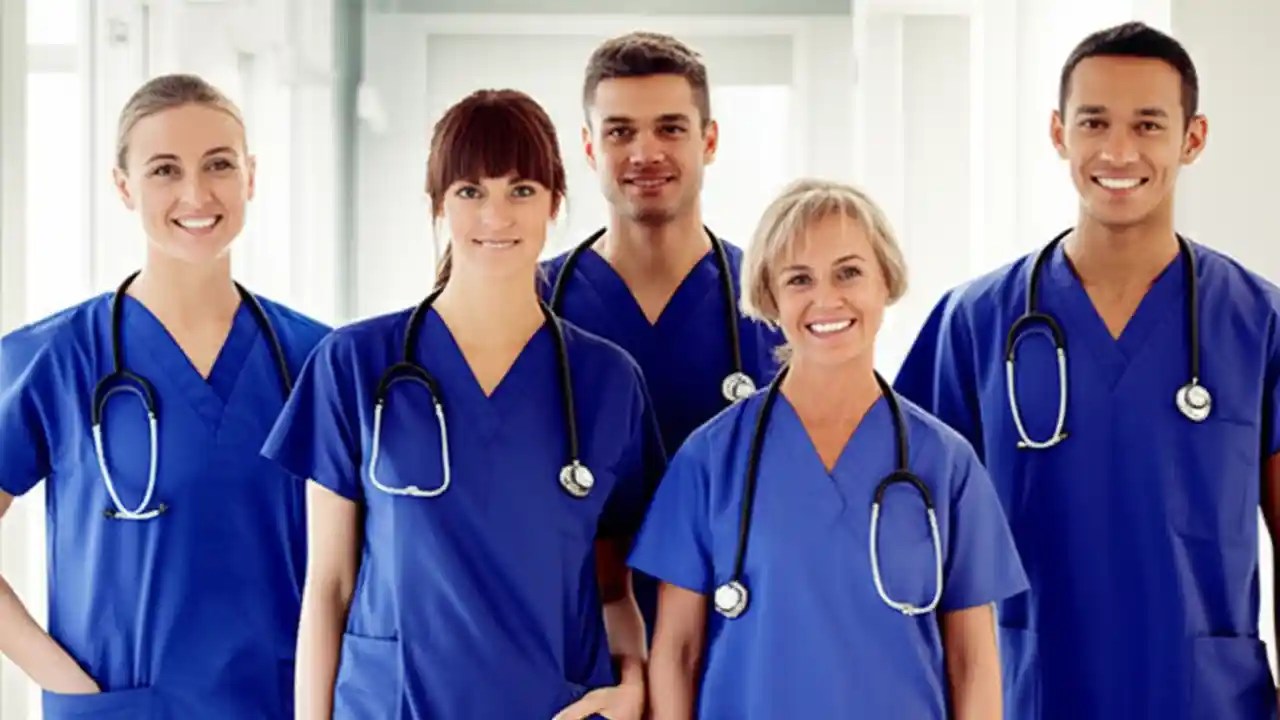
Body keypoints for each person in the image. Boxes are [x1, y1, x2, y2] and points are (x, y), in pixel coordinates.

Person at [894, 22, 1280, 720]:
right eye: (1094, 121)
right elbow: (918, 547)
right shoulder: (975, 321)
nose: (1118, 150)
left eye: (1148, 124)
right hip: (1028, 691)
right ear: (1057, 132)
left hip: (1202, 699)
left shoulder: (1260, 324)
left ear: (1192, 139)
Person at [262, 88, 664, 720]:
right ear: (439, 205)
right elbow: (328, 587)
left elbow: (616, 590)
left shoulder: (607, 381)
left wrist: (635, 685)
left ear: (556, 203)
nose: (495, 216)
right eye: (470, 192)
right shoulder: (355, 365)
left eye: (521, 191)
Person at [629, 178, 1028, 719]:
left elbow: (973, 660)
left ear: (885, 279)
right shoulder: (711, 460)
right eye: (799, 279)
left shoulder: (945, 464)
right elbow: (677, 653)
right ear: (770, 297)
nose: (826, 298)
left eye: (849, 272)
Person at [0, 74, 330, 719]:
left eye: (219, 165)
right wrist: (58, 676)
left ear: (251, 177)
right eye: (163, 170)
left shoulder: (317, 360)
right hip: (123, 707)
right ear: (123, 186)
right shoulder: (59, 358)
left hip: (280, 704)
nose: (196, 193)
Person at [542, 30, 784, 459]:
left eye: (670, 128)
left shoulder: (772, 300)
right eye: (620, 132)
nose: (645, 153)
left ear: (709, 142)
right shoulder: (535, 300)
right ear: (589, 148)